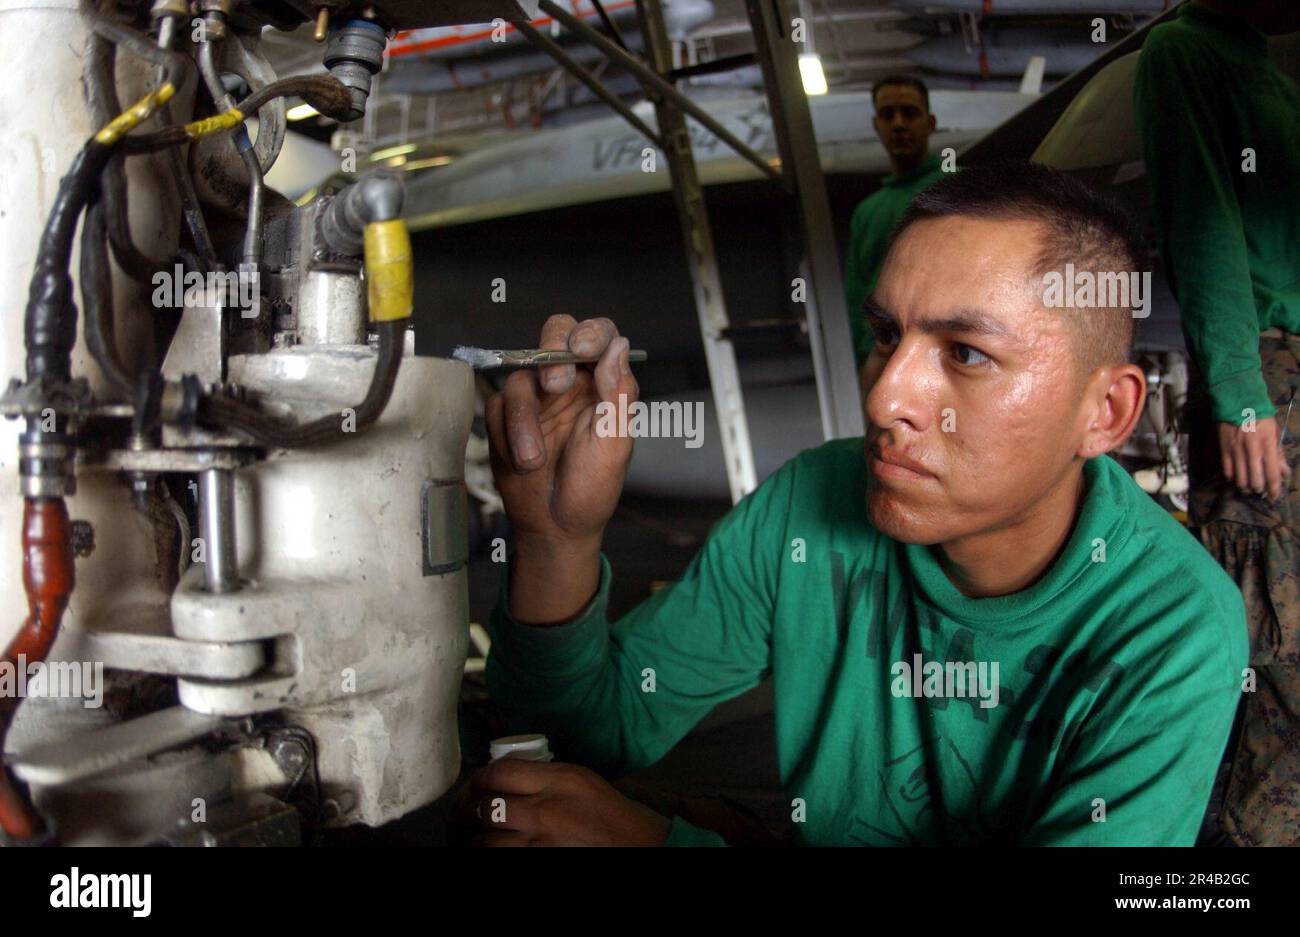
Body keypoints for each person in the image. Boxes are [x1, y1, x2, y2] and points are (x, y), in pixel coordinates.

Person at [471, 162, 1247, 846]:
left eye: (966, 353)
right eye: (884, 334)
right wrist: (555, 538)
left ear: (1105, 413)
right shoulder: (810, 503)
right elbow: (585, 731)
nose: (884, 396)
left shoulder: (1174, 625)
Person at [1134, 0, 1300, 846]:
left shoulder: (1269, 68)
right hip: (1270, 383)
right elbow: (1203, 218)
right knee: (1278, 671)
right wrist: (1240, 391)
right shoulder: (1185, 51)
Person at [843, 75, 947, 368]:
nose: (898, 124)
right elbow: (856, 299)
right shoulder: (867, 212)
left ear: (930, 122)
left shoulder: (961, 187)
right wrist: (866, 359)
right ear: (877, 126)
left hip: (951, 353)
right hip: (887, 358)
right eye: (888, 115)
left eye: (909, 113)